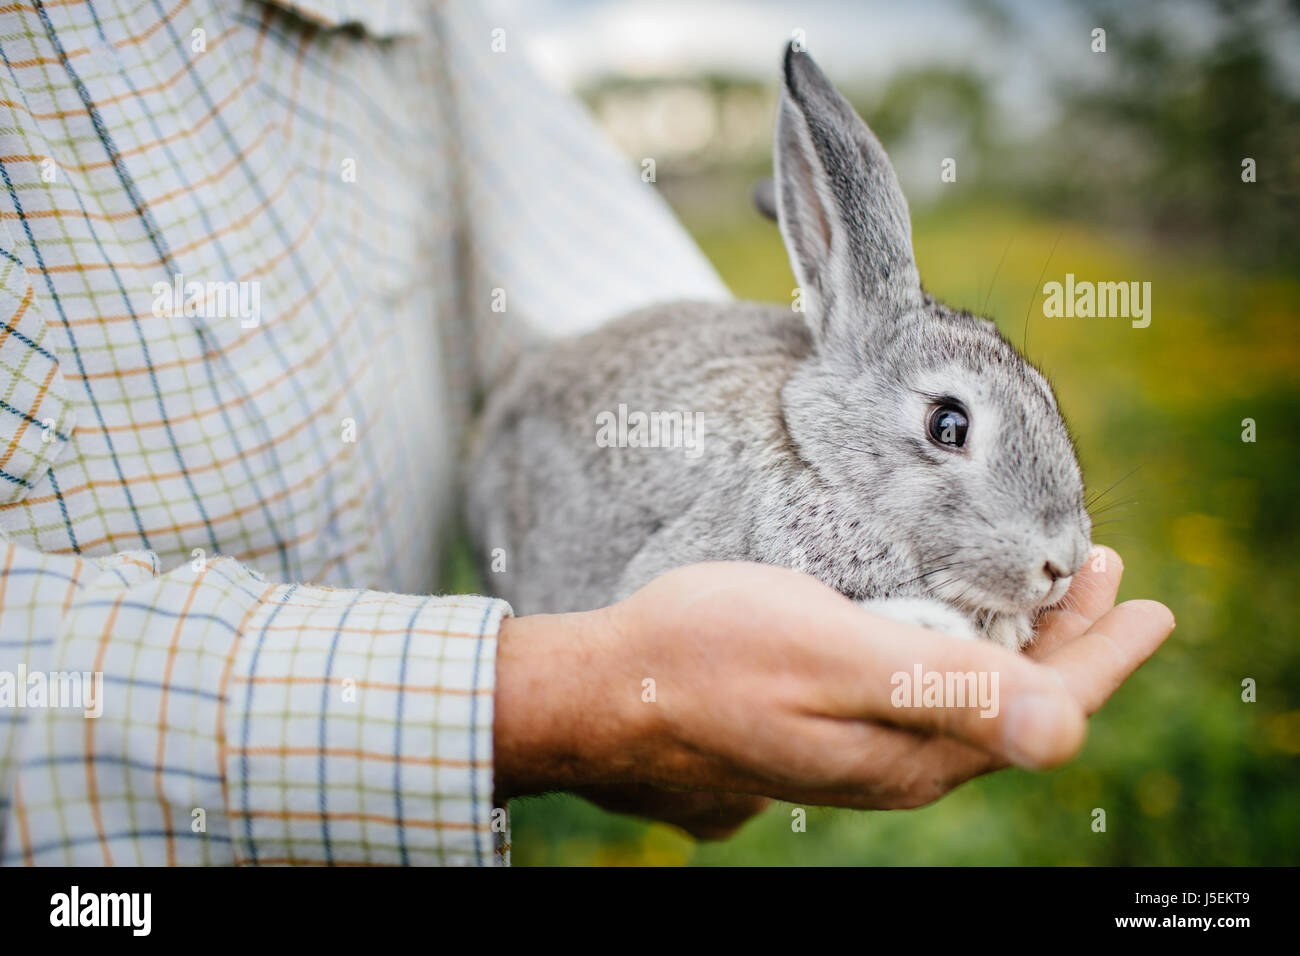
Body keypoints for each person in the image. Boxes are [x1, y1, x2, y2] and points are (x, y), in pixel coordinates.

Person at [0, 0, 1172, 866]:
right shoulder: (773, 482)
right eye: (951, 426)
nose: (1057, 545)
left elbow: (544, 200)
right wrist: (581, 696)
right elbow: (668, 610)